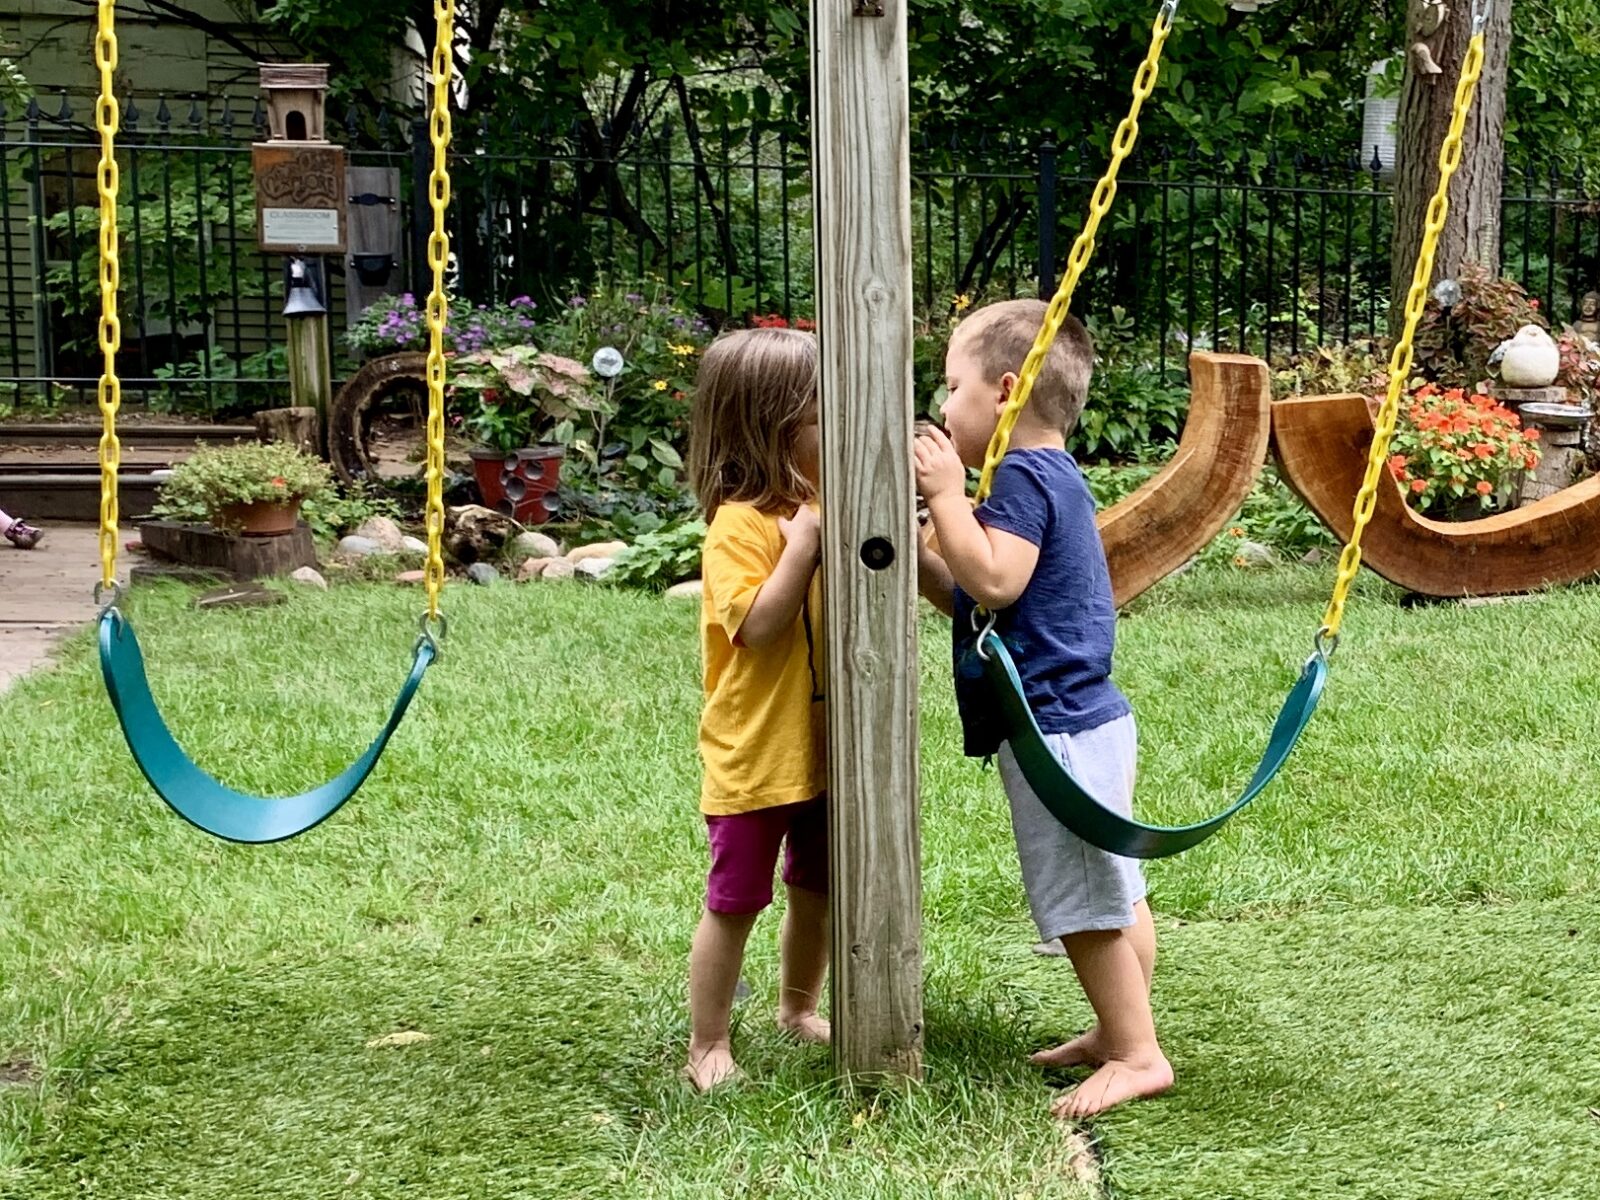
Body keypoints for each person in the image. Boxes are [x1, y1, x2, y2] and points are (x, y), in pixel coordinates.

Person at [914, 299, 1171, 1119]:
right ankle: (1116, 1028)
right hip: (1089, 720)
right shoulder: (1052, 475)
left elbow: (996, 581)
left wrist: (948, 497)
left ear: (1004, 390)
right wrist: (923, 555)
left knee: (1084, 906)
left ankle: (1137, 1054)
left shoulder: (1021, 478)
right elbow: (976, 599)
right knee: (1118, 890)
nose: (943, 405)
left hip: (1054, 729)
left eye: (952, 386)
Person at [682, 327, 830, 1091]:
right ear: (775, 428)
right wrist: (802, 545)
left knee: (818, 888)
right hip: (756, 754)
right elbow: (759, 626)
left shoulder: (819, 507)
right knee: (735, 901)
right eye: (822, 415)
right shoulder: (739, 524)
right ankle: (707, 1044)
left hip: (822, 750)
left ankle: (797, 1008)